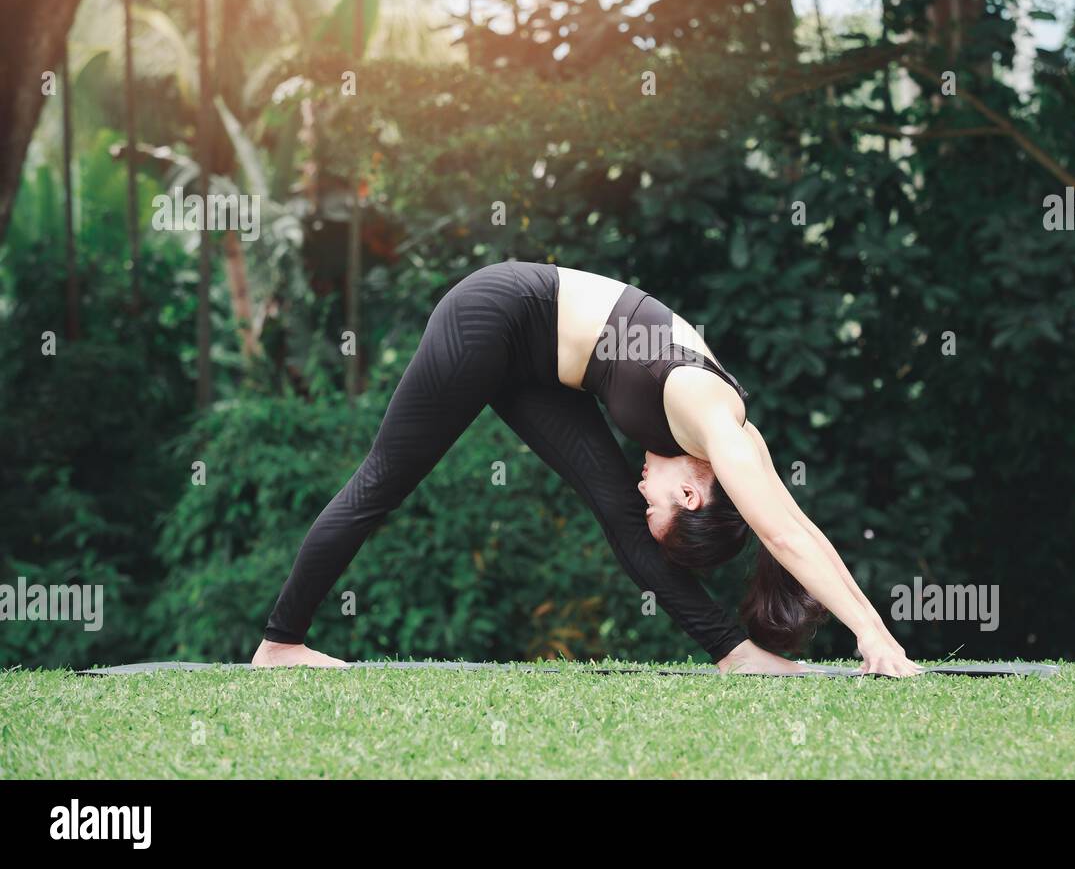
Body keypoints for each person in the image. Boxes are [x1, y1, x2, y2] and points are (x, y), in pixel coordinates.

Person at [251, 261, 921, 677]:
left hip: (537, 366)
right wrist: (870, 633)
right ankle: (281, 643)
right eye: (661, 505)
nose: (643, 488)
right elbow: (786, 537)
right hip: (493, 314)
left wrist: (866, 628)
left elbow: (795, 526)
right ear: (692, 492)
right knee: (384, 479)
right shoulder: (716, 426)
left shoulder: (734, 442)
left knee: (617, 517)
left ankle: (734, 654)